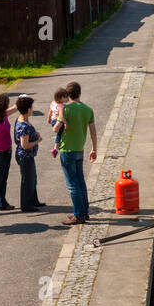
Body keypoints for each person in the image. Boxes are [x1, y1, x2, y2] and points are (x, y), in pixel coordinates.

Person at [57, 81, 97, 224]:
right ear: (79, 93)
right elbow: (93, 132)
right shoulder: (88, 110)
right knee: (80, 182)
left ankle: (79, 215)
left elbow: (56, 128)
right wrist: (94, 149)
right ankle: (84, 212)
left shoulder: (65, 110)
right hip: (80, 149)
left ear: (67, 95)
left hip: (67, 150)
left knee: (72, 184)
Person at [13, 95, 44, 211]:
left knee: (32, 178)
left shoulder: (23, 119)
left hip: (28, 156)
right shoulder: (24, 125)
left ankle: (34, 200)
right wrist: (37, 141)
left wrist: (35, 134)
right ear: (28, 109)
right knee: (27, 180)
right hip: (25, 156)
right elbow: (24, 145)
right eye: (31, 107)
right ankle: (26, 205)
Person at [48, 86, 68, 158]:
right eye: (66, 97)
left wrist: (49, 118)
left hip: (53, 121)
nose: (68, 99)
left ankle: (56, 147)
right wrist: (65, 123)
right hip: (58, 121)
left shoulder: (53, 103)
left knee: (60, 133)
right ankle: (55, 148)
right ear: (61, 98)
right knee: (60, 134)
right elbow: (61, 116)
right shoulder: (61, 106)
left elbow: (50, 111)